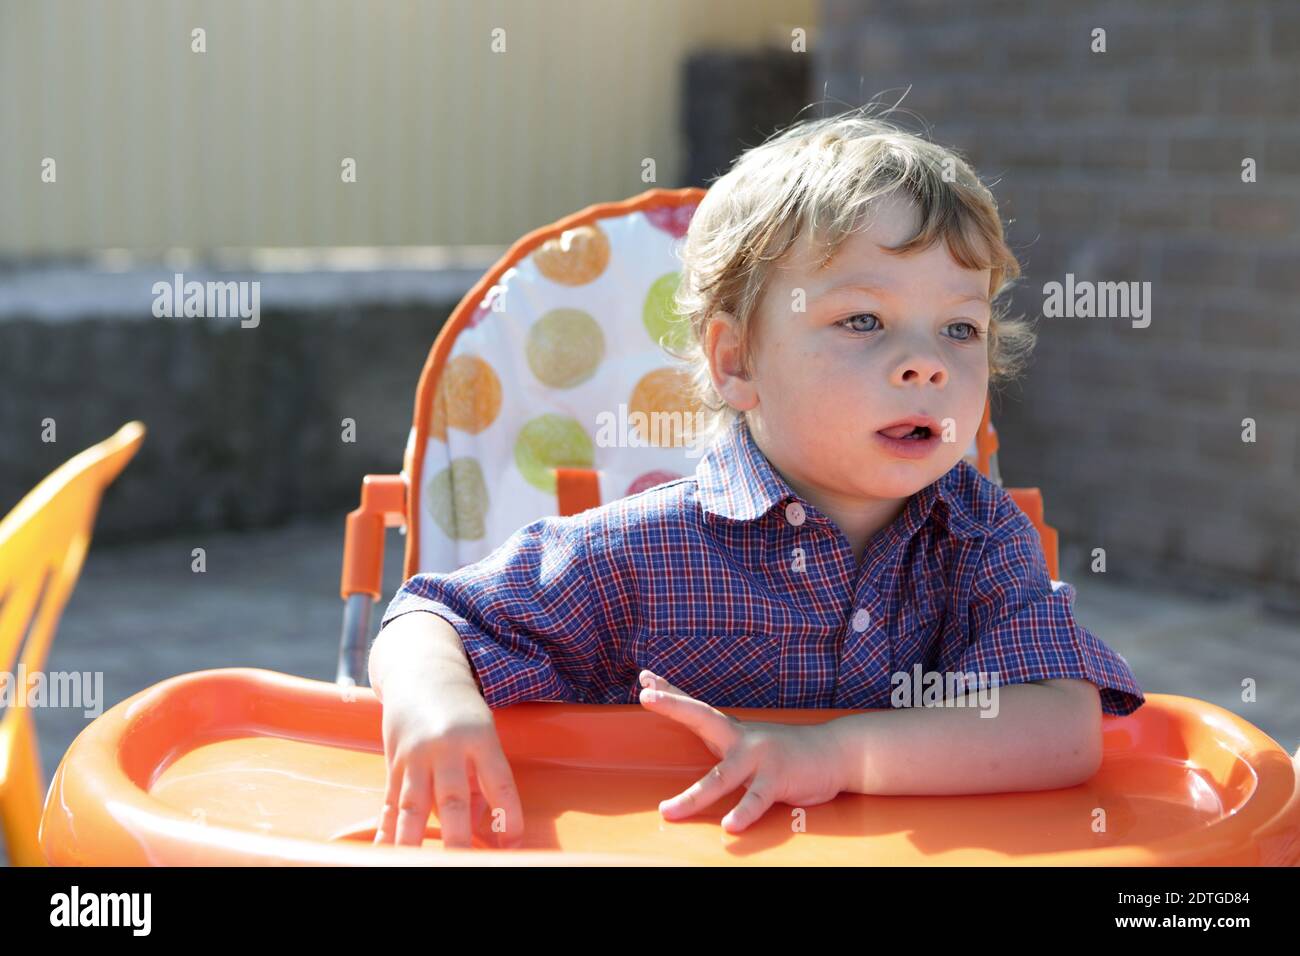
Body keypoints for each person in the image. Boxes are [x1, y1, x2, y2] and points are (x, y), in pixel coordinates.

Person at [367, 105, 1145, 850]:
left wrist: (837, 757)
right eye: (863, 320)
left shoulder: (979, 538)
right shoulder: (644, 553)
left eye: (960, 328)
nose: (927, 362)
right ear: (737, 361)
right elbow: (430, 617)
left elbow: (1063, 728)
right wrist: (436, 705)